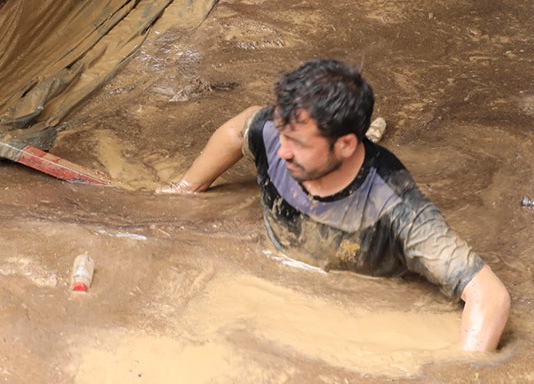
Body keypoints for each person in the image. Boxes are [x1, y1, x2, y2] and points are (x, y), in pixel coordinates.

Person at [165, 59, 511, 352]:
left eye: (297, 143)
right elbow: (237, 130)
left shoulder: (397, 208)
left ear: (346, 145)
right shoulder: (275, 133)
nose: (282, 150)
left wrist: (467, 370)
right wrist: (184, 188)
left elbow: (489, 297)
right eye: (281, 133)